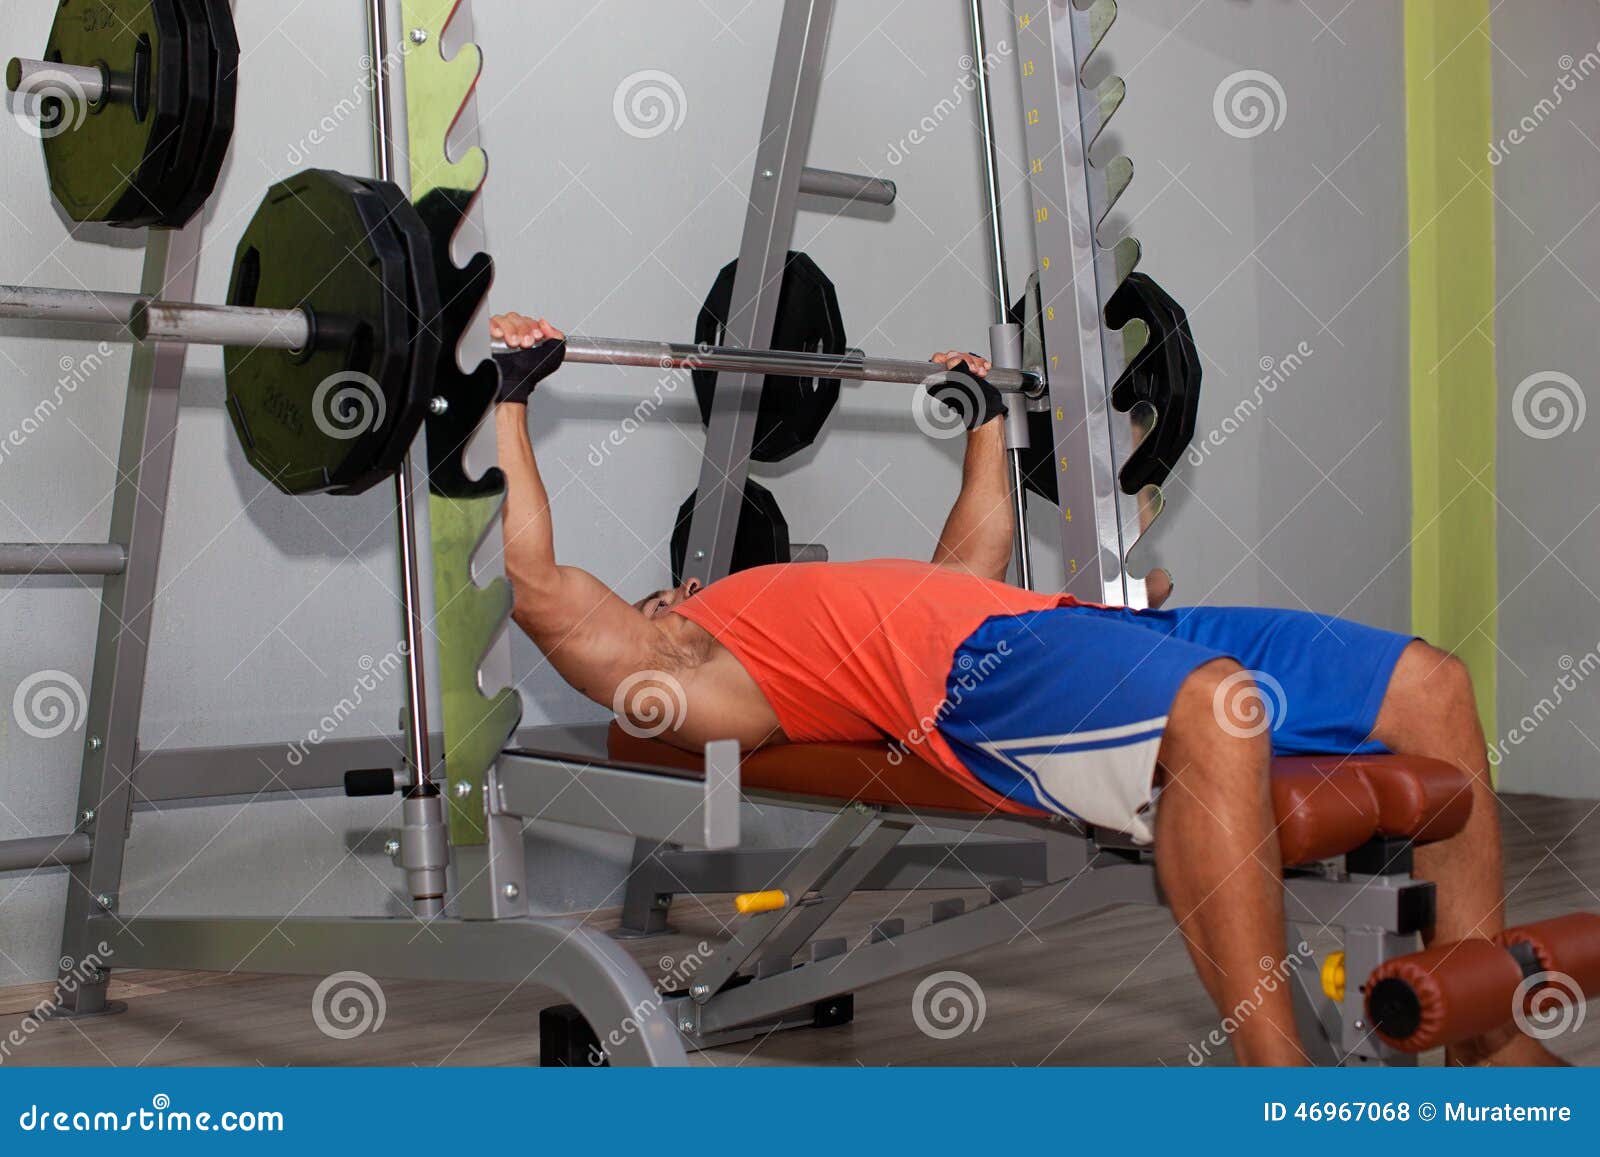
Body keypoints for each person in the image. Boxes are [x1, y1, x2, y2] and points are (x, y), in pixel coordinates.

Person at [489, 311, 1562, 1067]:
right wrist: (510, 407)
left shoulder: (796, 593)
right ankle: (1273, 1077)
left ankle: (1483, 1028)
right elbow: (541, 590)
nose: (679, 586)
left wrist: (983, 418)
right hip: (985, 689)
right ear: (661, 614)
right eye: (659, 596)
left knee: (1430, 681)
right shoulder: (702, 669)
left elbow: (968, 563)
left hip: (1054, 627)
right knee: (1213, 705)